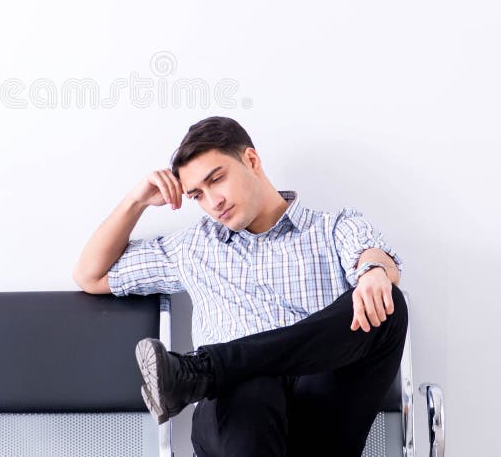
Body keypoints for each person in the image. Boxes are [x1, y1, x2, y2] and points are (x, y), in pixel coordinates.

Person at [72, 116, 408, 457]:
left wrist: (373, 271)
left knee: (388, 301)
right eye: (197, 195)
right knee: (252, 386)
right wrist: (136, 201)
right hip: (240, 417)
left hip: (319, 415)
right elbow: (91, 276)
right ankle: (217, 372)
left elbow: (374, 258)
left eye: (216, 179)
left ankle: (203, 370)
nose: (212, 202)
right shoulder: (192, 248)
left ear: (251, 160)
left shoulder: (331, 228)